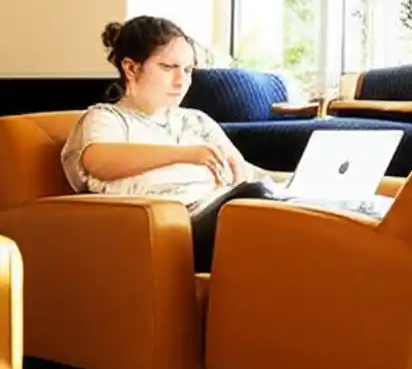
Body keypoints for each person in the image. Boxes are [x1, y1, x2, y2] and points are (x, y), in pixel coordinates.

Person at [60, 16, 277, 273]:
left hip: (229, 209)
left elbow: (245, 173)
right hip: (176, 228)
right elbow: (98, 161)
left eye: (187, 70)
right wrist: (186, 155)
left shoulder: (197, 120)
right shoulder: (106, 117)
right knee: (257, 201)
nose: (181, 80)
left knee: (278, 201)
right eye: (167, 67)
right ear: (131, 68)